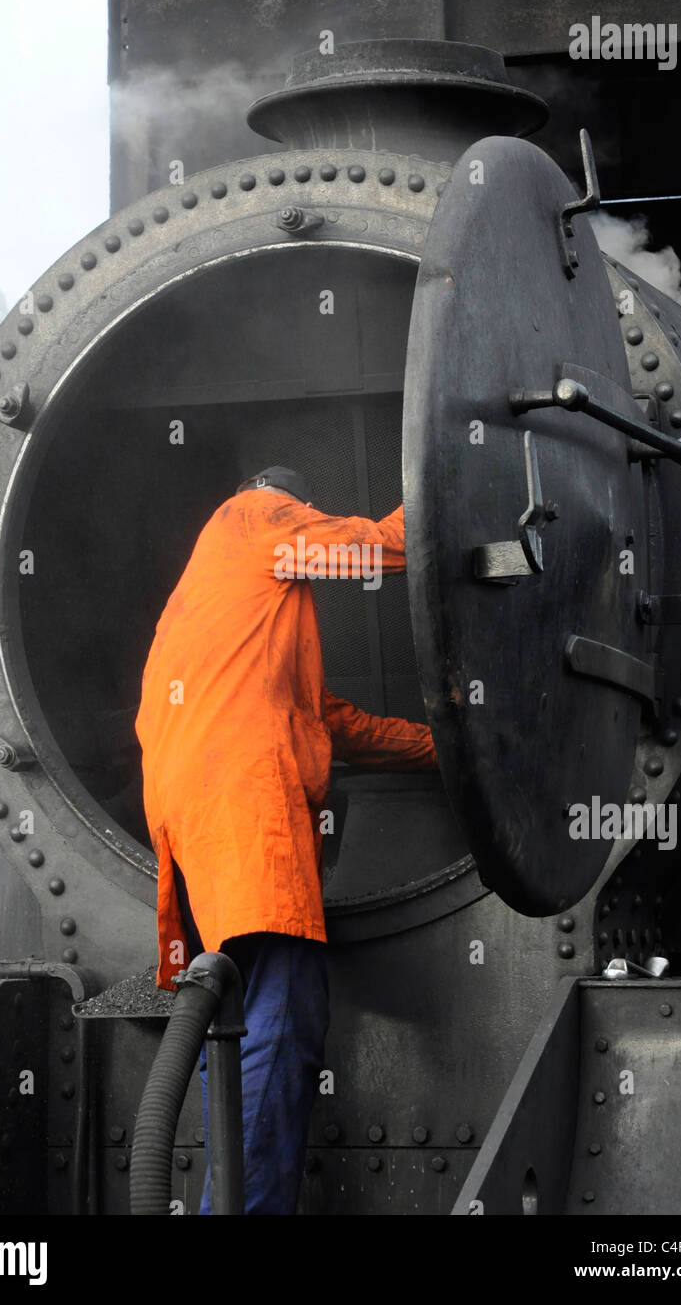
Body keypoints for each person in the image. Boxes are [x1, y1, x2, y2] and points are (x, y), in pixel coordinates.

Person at [135, 466, 439, 1214]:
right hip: (248, 817)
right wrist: (441, 478)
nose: (305, 520)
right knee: (280, 1025)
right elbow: (373, 548)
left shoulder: (213, 612)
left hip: (201, 823)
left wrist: (449, 744)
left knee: (232, 1020)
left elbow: (329, 719)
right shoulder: (252, 517)